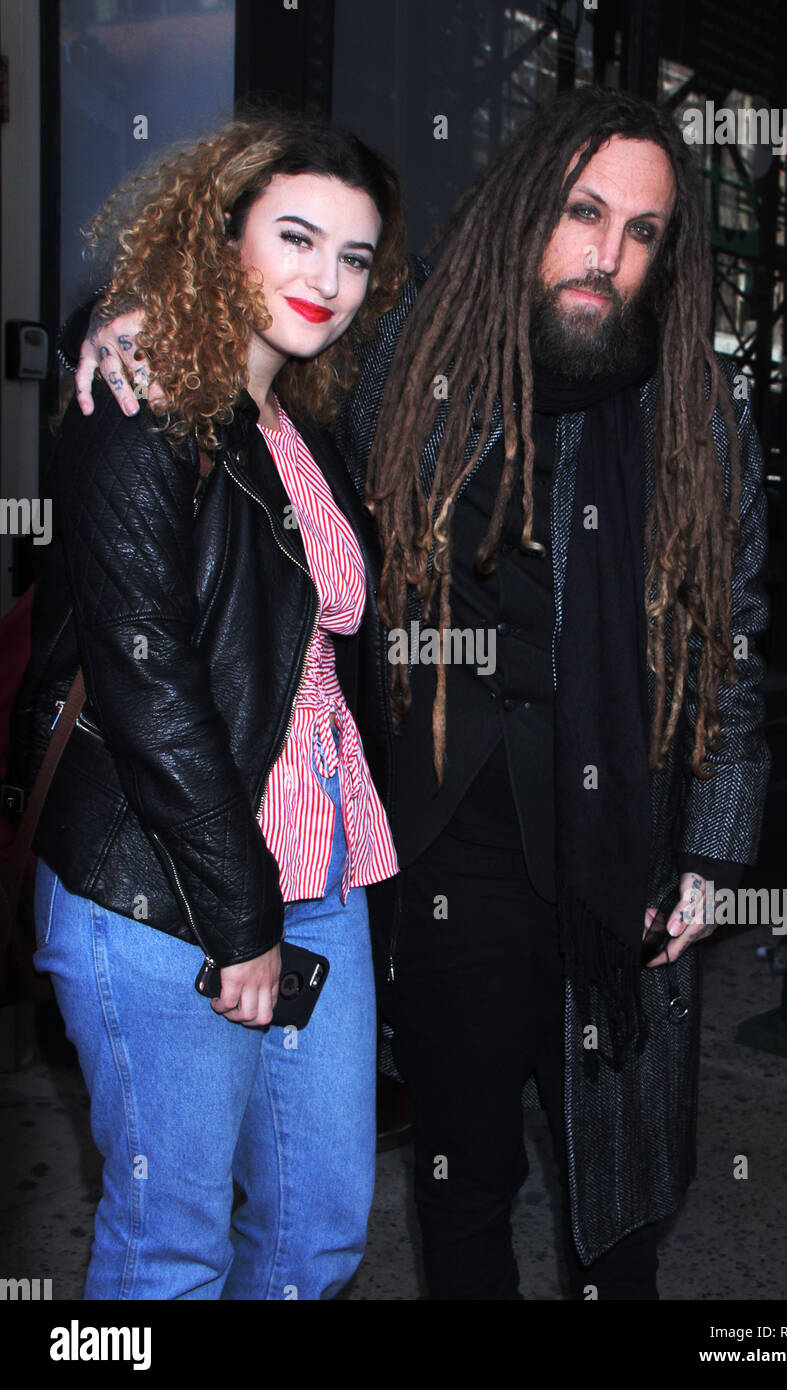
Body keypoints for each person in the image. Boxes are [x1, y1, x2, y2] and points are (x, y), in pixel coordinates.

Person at [71, 86, 771, 1301]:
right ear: (520, 210)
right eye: (581, 211)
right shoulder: (412, 350)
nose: (606, 254)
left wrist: (715, 844)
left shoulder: (696, 412)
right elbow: (246, 334)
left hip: (627, 861)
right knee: (456, 1186)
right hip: (444, 850)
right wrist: (115, 316)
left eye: (643, 231)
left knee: (615, 1212)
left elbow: (737, 639)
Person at [4, 112, 408, 1300]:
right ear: (218, 235)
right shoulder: (140, 395)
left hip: (321, 872)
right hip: (167, 888)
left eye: (353, 256)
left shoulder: (303, 424)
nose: (323, 279)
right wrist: (239, 918)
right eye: (294, 237)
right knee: (170, 1248)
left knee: (318, 1235)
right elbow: (148, 681)